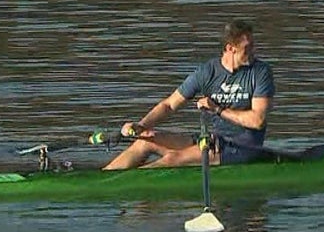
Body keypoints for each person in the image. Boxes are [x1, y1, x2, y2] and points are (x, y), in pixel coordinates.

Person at [103, 20, 273, 170]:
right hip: (212, 140)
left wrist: (217, 109)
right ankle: (102, 178)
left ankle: (122, 185)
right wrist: (140, 125)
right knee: (145, 141)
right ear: (230, 48)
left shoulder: (260, 72)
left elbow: (258, 121)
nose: (253, 52)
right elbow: (169, 105)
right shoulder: (207, 72)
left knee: (173, 159)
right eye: (247, 48)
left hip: (243, 146)